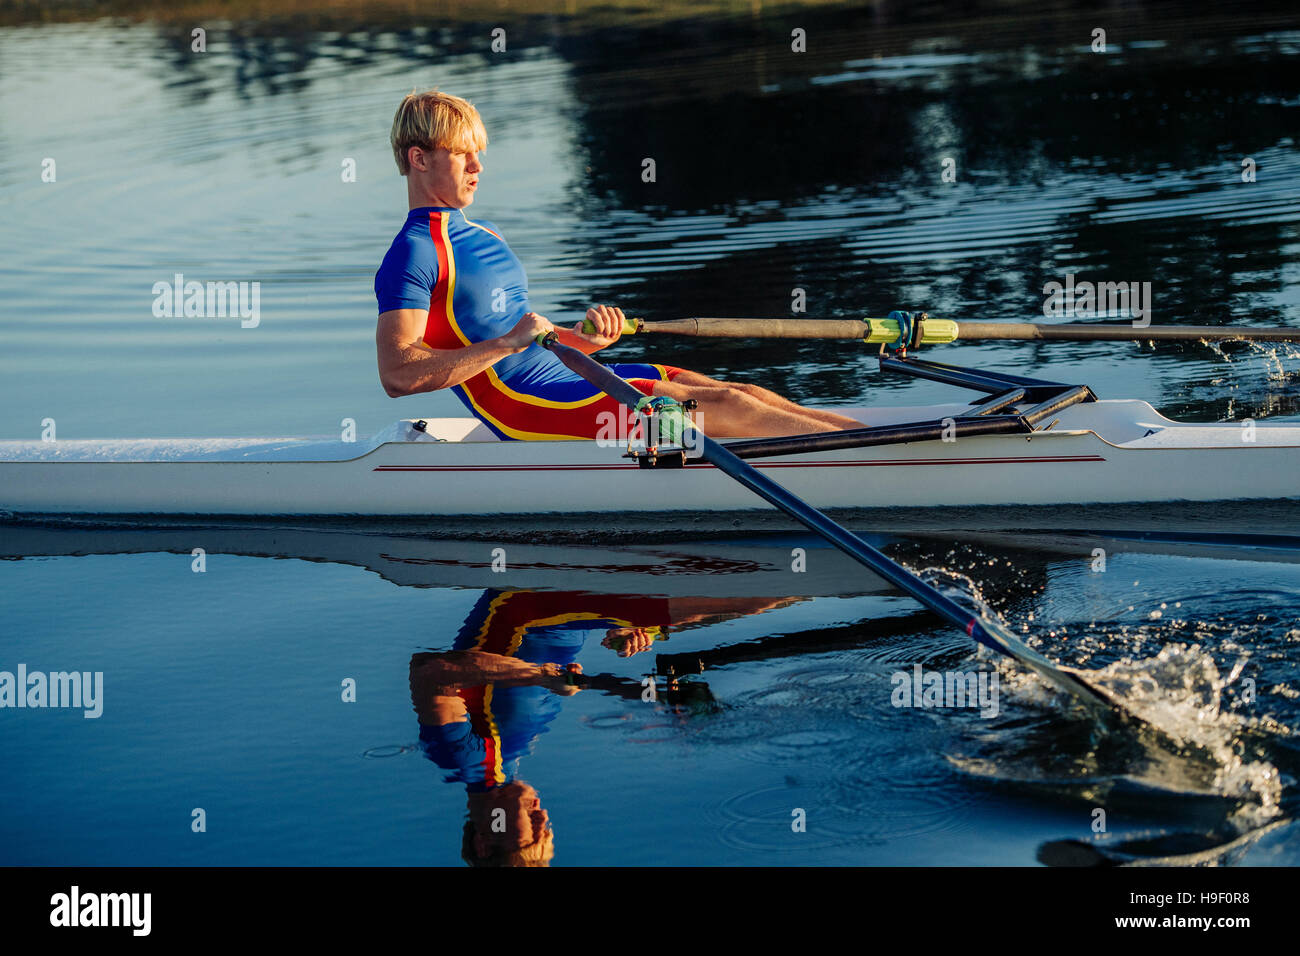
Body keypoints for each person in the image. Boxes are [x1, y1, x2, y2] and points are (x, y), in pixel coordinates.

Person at [375, 89, 862, 439]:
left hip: (570, 373)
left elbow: (527, 332)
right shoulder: (414, 253)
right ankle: (865, 461)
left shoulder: (486, 235)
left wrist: (579, 338)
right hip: (522, 406)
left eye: (478, 154)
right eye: (463, 155)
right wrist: (506, 343)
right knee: (728, 406)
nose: (478, 167)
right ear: (419, 158)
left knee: (730, 387)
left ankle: (897, 443)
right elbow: (398, 375)